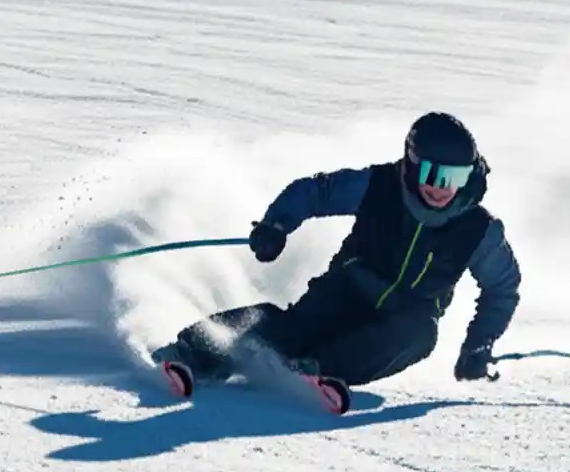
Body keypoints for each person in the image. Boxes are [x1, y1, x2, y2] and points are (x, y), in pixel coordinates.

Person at [151, 111, 522, 390]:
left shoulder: (479, 230)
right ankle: (193, 352)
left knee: (421, 335)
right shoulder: (379, 186)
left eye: (454, 178)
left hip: (403, 319)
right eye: (432, 174)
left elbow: (502, 288)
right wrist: (275, 225)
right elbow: (317, 192)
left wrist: (479, 344)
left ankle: (316, 371)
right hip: (348, 289)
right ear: (411, 164)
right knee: (292, 329)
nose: (441, 188)